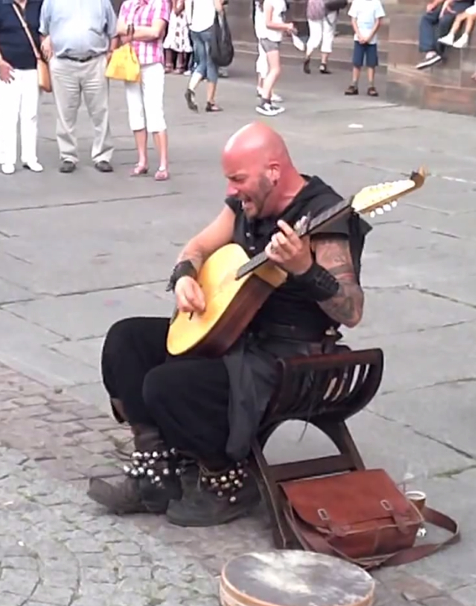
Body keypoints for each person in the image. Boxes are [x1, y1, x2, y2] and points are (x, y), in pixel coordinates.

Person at [89, 122, 370, 527]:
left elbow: (352, 311)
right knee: (126, 340)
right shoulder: (245, 202)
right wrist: (186, 274)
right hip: (237, 337)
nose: (232, 190)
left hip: (287, 357)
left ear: (273, 171)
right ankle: (157, 473)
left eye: (238, 179)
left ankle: (228, 484)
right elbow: (199, 246)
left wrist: (305, 269)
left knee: (168, 385)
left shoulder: (324, 216)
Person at [38, 0, 116, 174]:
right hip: (63, 62)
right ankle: (68, 155)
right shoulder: (51, 2)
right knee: (65, 113)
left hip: (95, 61)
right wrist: (48, 51)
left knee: (100, 112)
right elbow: (43, 30)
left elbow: (113, 30)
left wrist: (109, 54)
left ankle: (102, 155)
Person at [0, 0, 44, 175]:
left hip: (32, 67)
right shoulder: (0, 5)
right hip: (7, 67)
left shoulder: (37, 4)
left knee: (30, 114)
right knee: (8, 114)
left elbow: (43, 30)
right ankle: (7, 158)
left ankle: (30, 157)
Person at [116, 0, 170, 181]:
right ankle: (142, 160)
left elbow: (156, 31)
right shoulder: (127, 4)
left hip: (152, 63)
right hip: (130, 62)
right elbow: (119, 32)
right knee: (135, 112)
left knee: (155, 112)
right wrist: (140, 31)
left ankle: (163, 164)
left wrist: (130, 30)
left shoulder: (160, 3)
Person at [254, 0, 292, 117]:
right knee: (275, 69)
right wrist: (286, 26)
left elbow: (277, 18)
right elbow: (269, 23)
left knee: (273, 69)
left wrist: (285, 28)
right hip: (269, 37)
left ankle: (267, 100)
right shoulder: (269, 2)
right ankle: (265, 101)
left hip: (273, 37)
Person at [183, 0, 222, 113]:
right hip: (209, 26)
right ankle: (210, 101)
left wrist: (190, 22)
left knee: (202, 62)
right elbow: (218, 7)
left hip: (194, 27)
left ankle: (191, 89)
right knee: (212, 64)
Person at [416, 0, 472, 69]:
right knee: (426, 18)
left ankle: (438, 51)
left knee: (445, 20)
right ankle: (430, 53)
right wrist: (434, 3)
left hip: (464, 2)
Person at [344, 0, 385, 97]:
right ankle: (354, 84)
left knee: (371, 63)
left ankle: (371, 85)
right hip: (359, 36)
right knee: (357, 62)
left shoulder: (376, 2)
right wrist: (359, 34)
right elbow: (353, 20)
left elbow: (378, 21)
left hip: (371, 37)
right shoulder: (357, 2)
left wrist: (370, 36)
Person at [303, 0, 335, 75]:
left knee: (314, 36)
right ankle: (323, 64)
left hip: (314, 7)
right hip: (330, 7)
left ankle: (307, 56)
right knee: (328, 35)